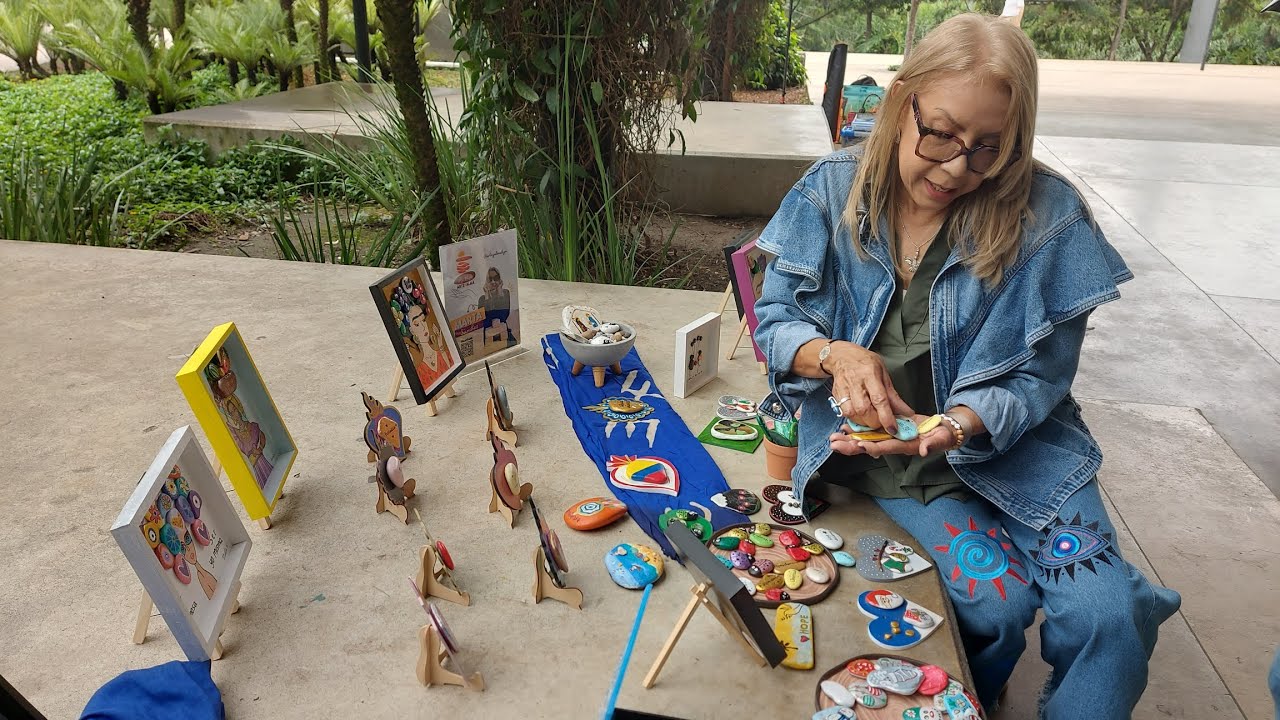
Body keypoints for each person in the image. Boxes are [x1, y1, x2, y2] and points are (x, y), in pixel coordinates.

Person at [752, 14, 1180, 718]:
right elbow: (773, 322)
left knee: (1103, 619)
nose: (956, 168)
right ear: (900, 100)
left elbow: (1041, 378)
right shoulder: (830, 192)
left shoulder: (1050, 218)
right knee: (997, 607)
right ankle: (979, 687)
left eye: (988, 149)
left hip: (1023, 451)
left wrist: (960, 422)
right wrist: (834, 353)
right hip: (897, 460)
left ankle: (1116, 601)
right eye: (941, 134)